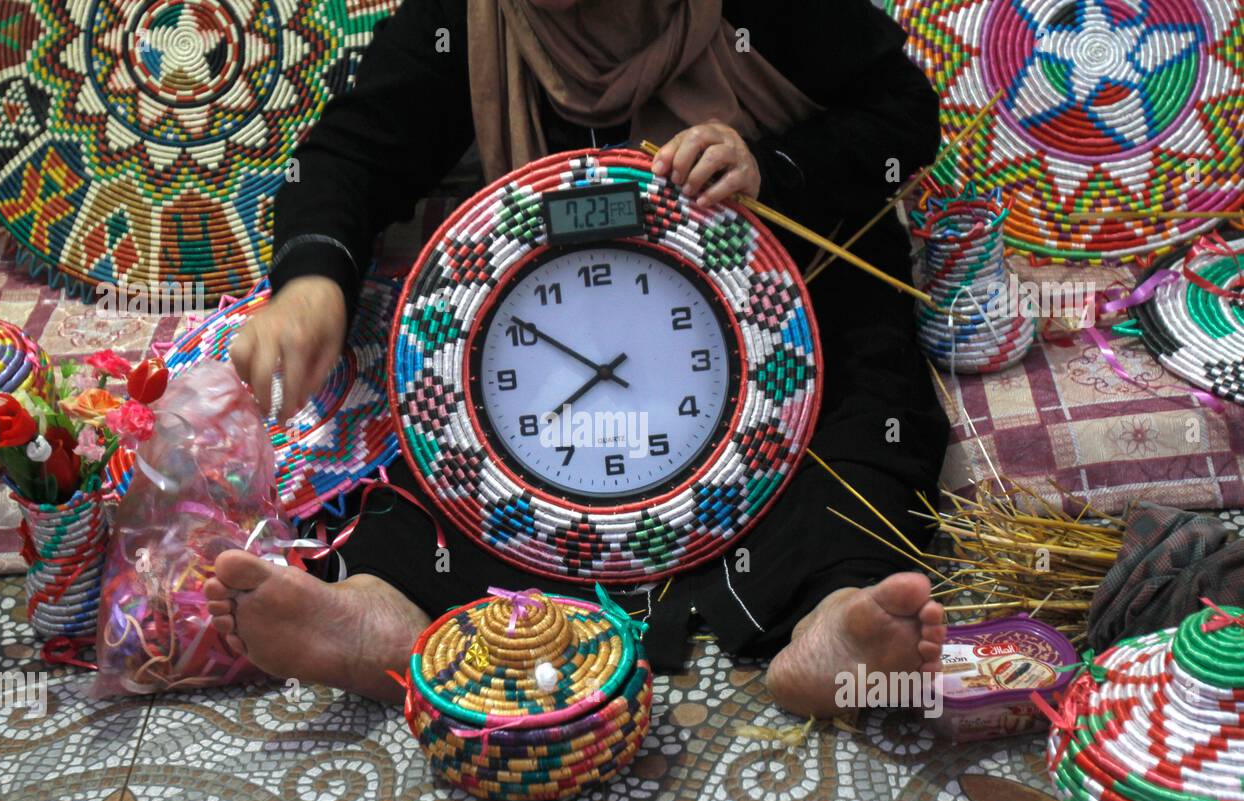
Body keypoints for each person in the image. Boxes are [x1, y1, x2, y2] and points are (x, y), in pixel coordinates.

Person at [205, 0, 952, 718]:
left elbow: (905, 117)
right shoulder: (474, 17)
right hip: (563, 319)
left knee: (865, 419)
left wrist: (769, 164)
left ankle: (834, 621)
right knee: (457, 438)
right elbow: (352, 153)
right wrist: (311, 282)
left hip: (792, 317)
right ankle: (383, 614)